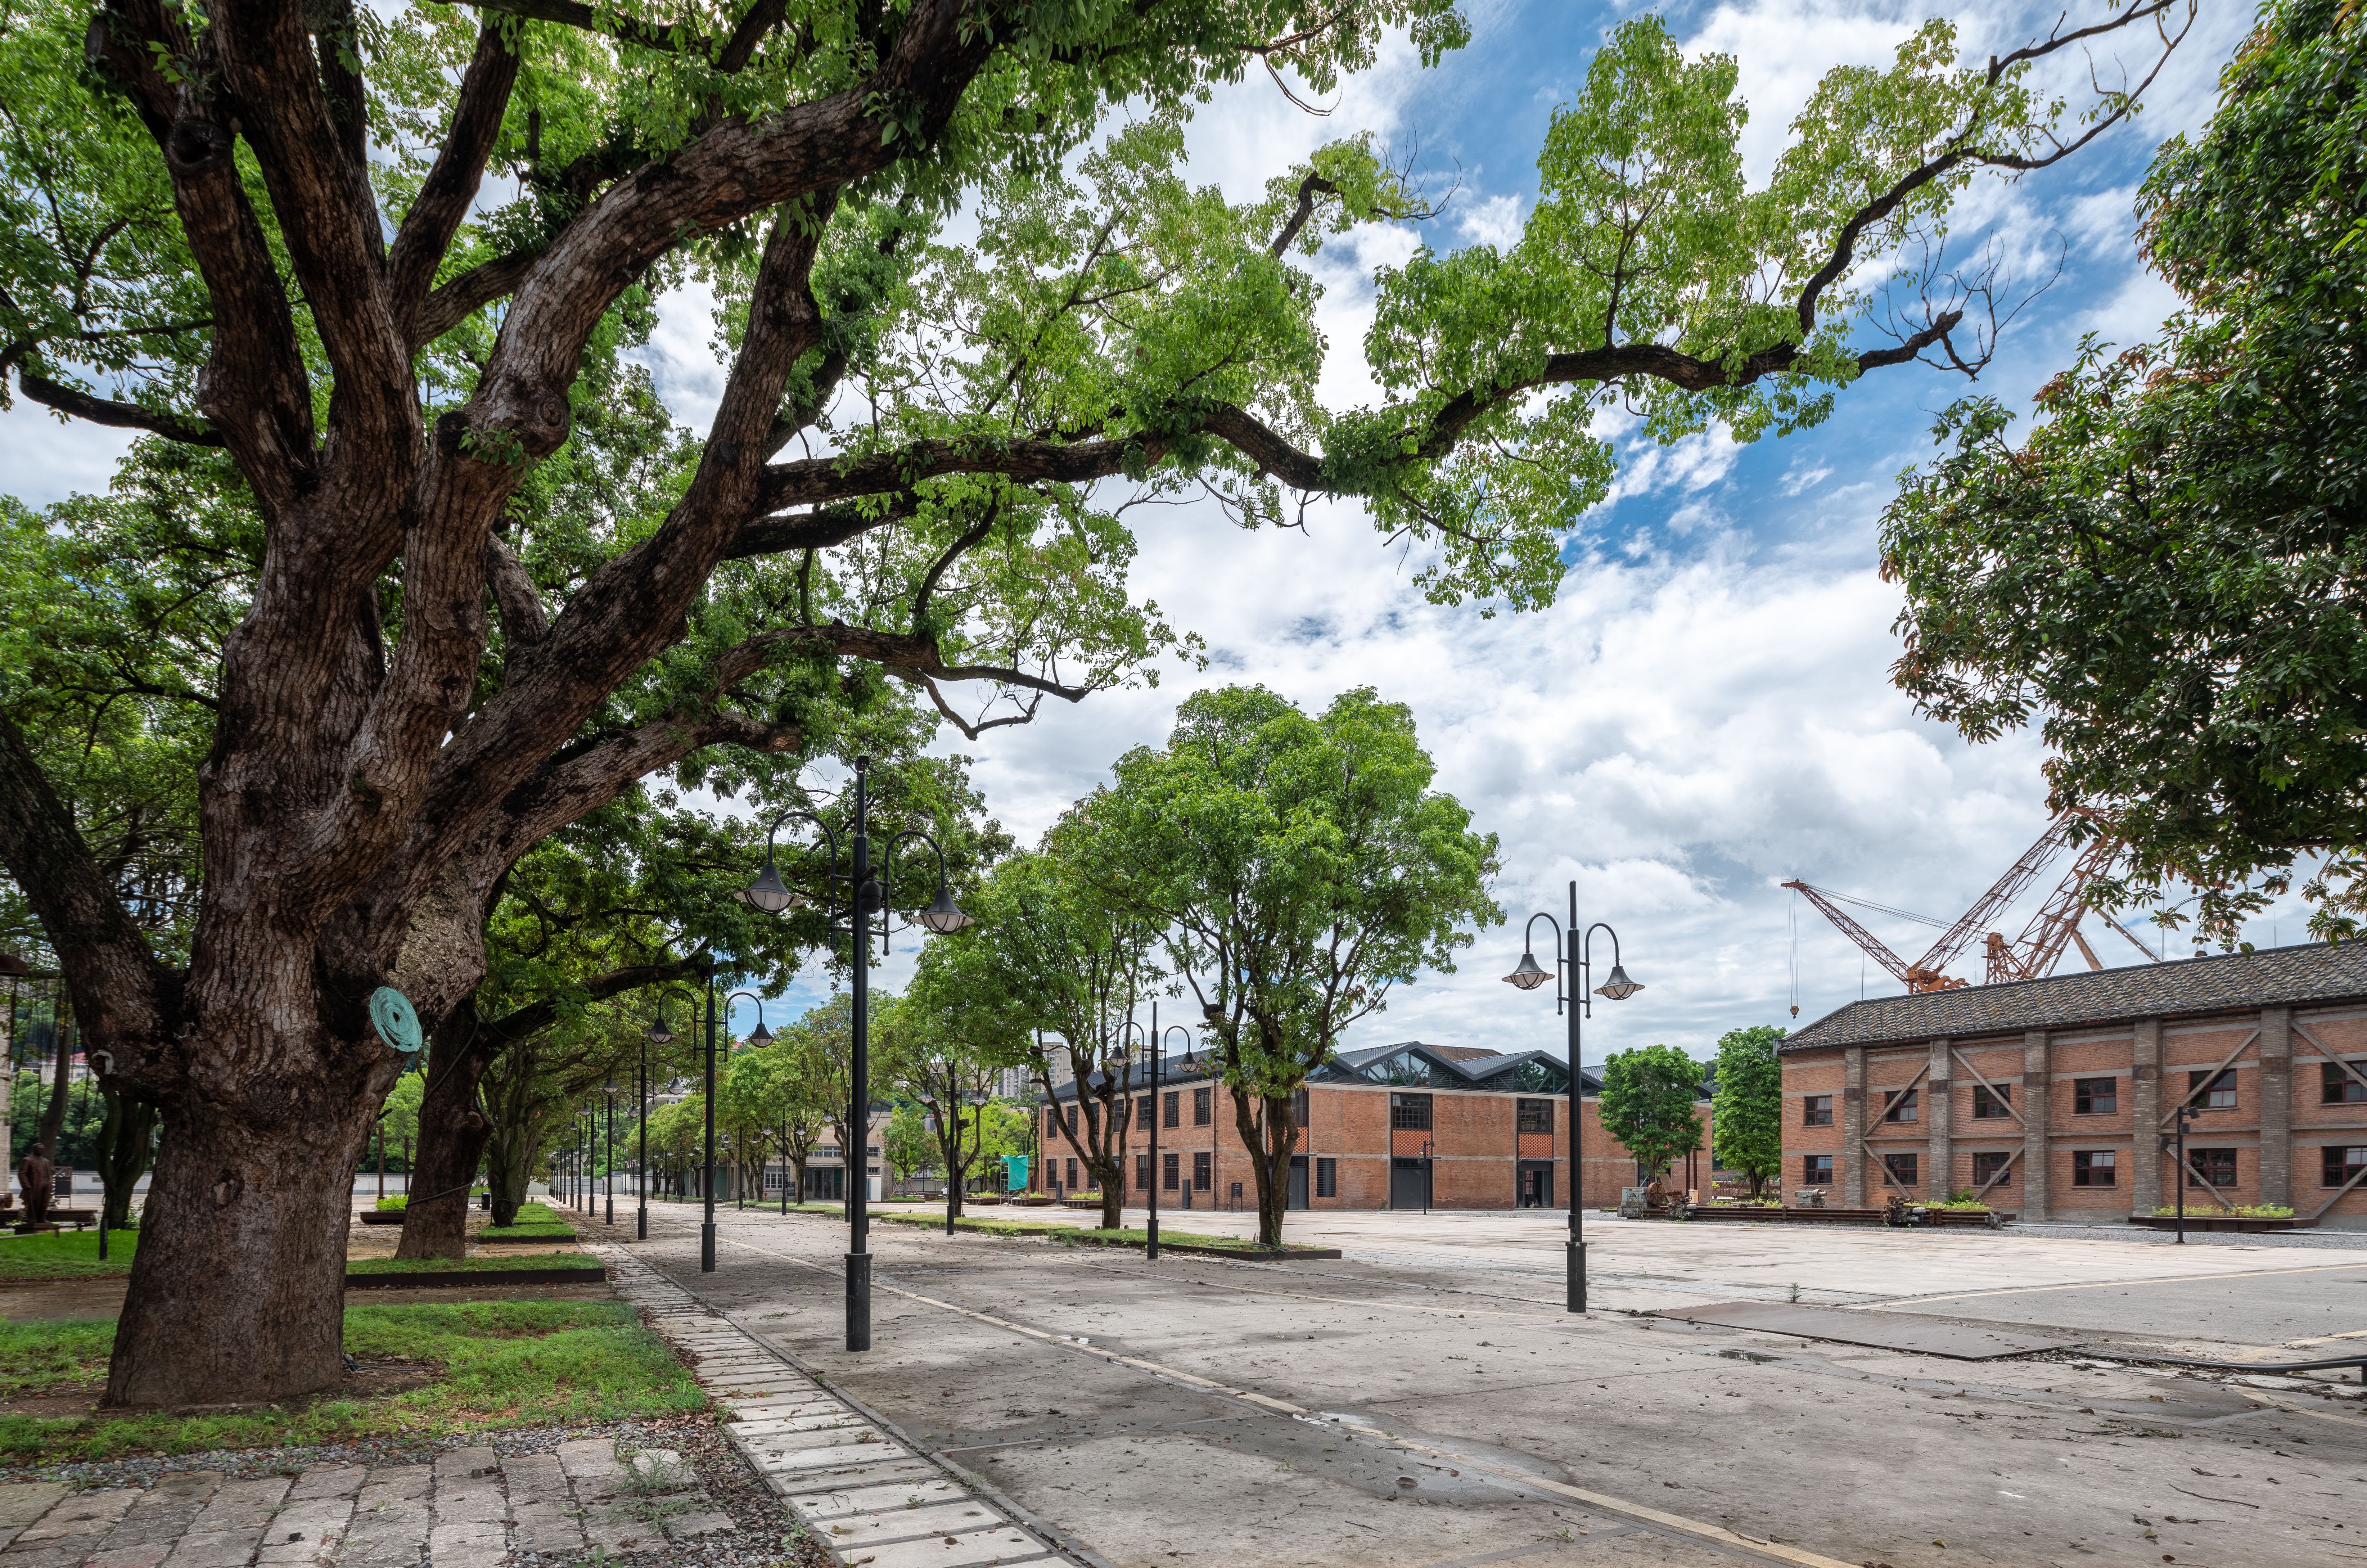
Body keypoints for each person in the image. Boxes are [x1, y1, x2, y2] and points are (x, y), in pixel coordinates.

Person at [17, 1142, 53, 1229]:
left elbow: (49, 1174)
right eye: (40, 1149)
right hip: (35, 1186)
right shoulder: (28, 1160)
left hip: (46, 1185)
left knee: (45, 1203)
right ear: (34, 1150)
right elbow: (22, 1174)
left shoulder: (46, 1161)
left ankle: (42, 1219)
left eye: (43, 1149)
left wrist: (50, 1183)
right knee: (35, 1203)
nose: (42, 1151)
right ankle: (32, 1219)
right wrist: (26, 1185)